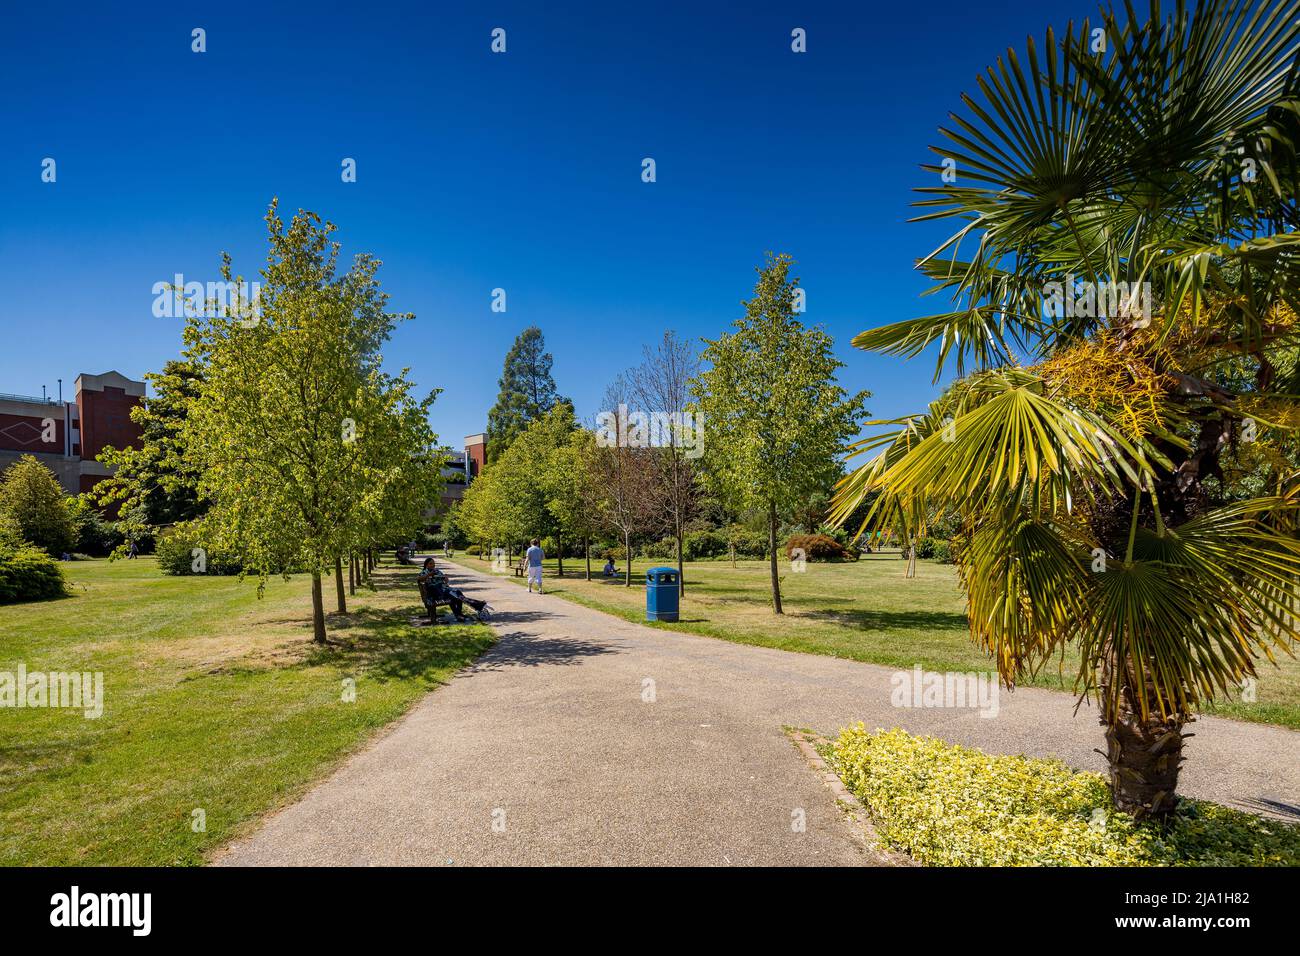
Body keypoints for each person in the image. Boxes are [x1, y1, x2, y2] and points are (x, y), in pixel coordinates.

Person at [416, 557, 492, 623]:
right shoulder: (424, 572)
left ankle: (462, 613)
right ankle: (476, 605)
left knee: (457, 593)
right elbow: (418, 578)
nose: (433, 565)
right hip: (437, 593)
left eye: (433, 563)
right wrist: (429, 575)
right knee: (455, 596)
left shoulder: (437, 571)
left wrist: (445, 579)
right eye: (430, 563)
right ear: (426, 565)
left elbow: (445, 580)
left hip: (444, 590)